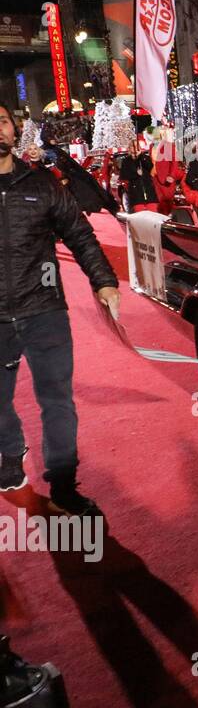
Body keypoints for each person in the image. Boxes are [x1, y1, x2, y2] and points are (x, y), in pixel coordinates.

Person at [0, 103, 118, 517]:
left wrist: (103, 280)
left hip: (44, 308)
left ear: (15, 131)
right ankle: (10, 455)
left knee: (57, 399)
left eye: (1, 120)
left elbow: (79, 233)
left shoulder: (43, 182)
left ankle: (64, 482)